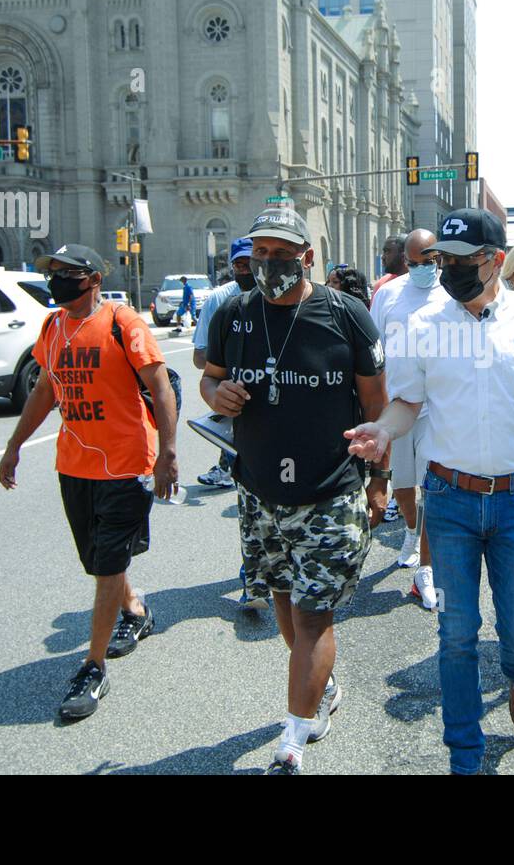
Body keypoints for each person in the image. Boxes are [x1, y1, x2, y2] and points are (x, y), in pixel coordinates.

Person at [345, 208, 514, 776]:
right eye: (441, 261)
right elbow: (406, 402)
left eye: (461, 261)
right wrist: (382, 431)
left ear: (495, 261)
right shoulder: (427, 324)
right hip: (449, 501)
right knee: (455, 632)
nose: (449, 271)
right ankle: (465, 754)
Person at [201, 207, 389, 774]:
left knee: (313, 615)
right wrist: (217, 394)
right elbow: (209, 376)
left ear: (307, 257)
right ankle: (320, 687)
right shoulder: (234, 312)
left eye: (281, 253)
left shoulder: (346, 315)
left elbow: (377, 404)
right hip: (259, 493)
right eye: (259, 252)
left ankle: (292, 739)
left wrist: (379, 480)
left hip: (330, 490)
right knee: (284, 598)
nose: (268, 263)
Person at [0, 244, 178, 720]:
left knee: (106, 564)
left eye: (66, 273)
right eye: (51, 273)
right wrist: (14, 446)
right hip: (74, 465)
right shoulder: (53, 327)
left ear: (92, 278)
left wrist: (167, 455)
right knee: (98, 557)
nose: (56, 281)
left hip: (125, 464)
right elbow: (44, 389)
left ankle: (92, 666)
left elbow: (160, 387)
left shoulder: (124, 323)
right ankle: (135, 612)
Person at [370, 228, 447, 610]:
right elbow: (373, 352)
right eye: (415, 263)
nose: (422, 269)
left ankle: (427, 570)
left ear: (440, 258)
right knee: (403, 488)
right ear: (405, 260)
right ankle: (411, 531)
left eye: (429, 262)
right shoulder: (388, 294)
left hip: (439, 409)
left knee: (432, 488)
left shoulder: (450, 293)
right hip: (398, 408)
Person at [193, 239, 256, 491]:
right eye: (238, 265)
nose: (244, 270)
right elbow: (199, 357)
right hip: (233, 392)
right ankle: (228, 470)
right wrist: (229, 360)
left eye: (249, 263)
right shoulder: (219, 300)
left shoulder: (281, 297)